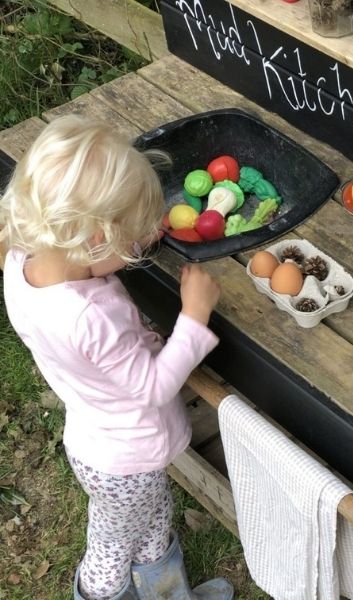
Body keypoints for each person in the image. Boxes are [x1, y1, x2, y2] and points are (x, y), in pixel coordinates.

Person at [0, 115, 233, 600]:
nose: (148, 237)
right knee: (109, 551)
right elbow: (152, 388)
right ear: (93, 239)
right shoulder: (90, 316)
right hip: (125, 458)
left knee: (153, 522)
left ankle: (169, 594)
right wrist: (193, 317)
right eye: (134, 237)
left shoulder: (24, 263)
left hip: (101, 445)